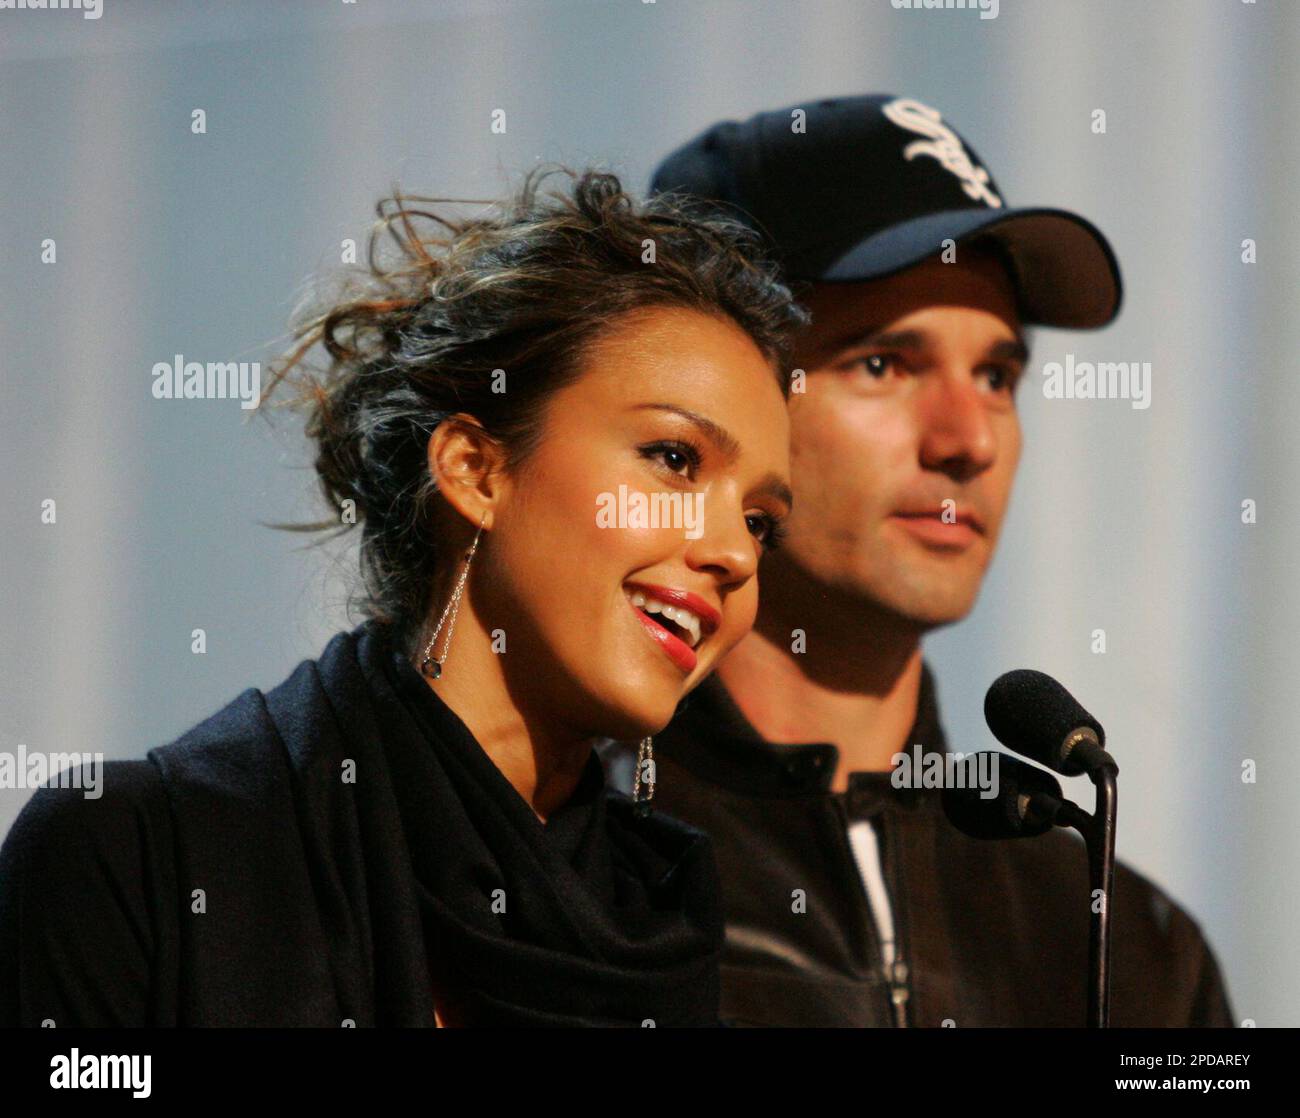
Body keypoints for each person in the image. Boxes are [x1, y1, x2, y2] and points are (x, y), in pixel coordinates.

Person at [0, 167, 807, 1027]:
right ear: (475, 469)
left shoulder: (661, 929)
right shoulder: (139, 859)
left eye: (761, 522)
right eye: (675, 460)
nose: (731, 554)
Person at [603, 95, 1235, 1027]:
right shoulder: (560, 865)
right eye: (884, 364)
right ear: (713, 399)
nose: (967, 439)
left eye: (996, 376)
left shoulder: (1133, 947)